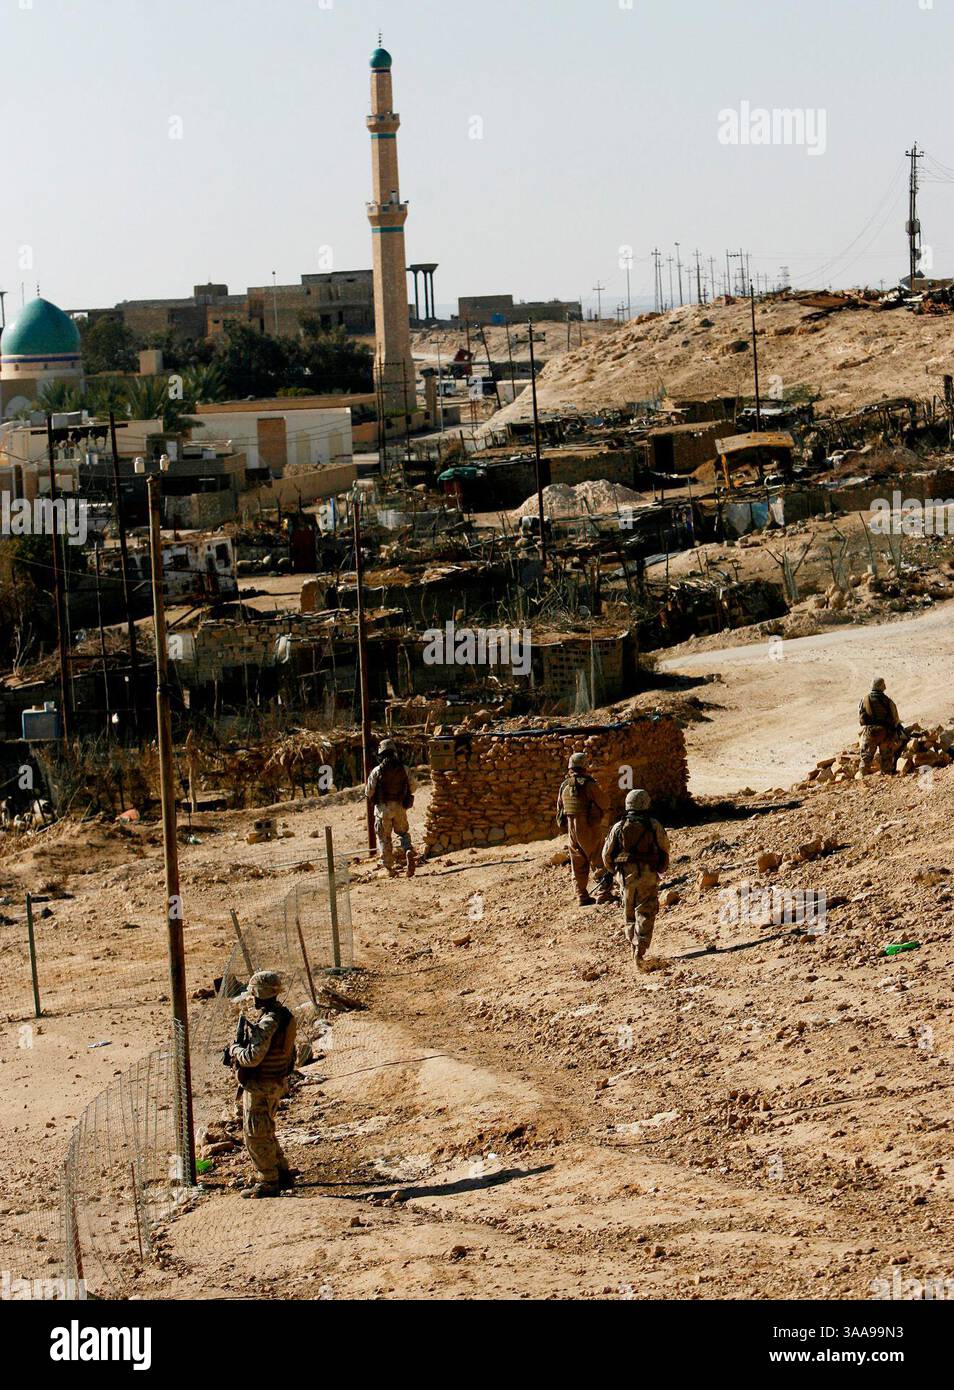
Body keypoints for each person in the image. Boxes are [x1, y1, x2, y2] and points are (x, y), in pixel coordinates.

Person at [228, 971, 298, 1198]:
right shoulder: (284, 1015)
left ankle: (268, 1180)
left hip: (262, 1085)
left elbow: (252, 1058)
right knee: (265, 1129)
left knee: (255, 1133)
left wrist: (234, 1051)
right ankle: (281, 1171)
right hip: (275, 1081)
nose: (253, 999)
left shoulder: (269, 1022)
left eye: (254, 994)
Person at [602, 789, 670, 966]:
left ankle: (633, 945)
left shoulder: (618, 826)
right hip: (647, 876)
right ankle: (640, 949)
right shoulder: (653, 824)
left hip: (625, 878)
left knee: (629, 913)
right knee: (646, 911)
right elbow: (665, 847)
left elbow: (606, 855)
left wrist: (615, 873)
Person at [556, 752, 613, 906]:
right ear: (584, 766)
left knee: (578, 863)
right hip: (588, 828)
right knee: (597, 859)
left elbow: (559, 809)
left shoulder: (564, 786)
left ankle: (581, 896)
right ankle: (603, 893)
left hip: (571, 830)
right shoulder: (588, 784)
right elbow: (605, 803)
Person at [365, 738, 417, 876]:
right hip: (400, 807)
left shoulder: (377, 771)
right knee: (402, 833)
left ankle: (389, 868)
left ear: (381, 754)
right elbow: (414, 788)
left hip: (383, 810)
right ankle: (407, 850)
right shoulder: (404, 769)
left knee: (384, 837)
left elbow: (369, 791)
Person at [859, 677, 904, 775]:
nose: (885, 686)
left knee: (866, 757)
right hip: (886, 733)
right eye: (883, 684)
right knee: (886, 758)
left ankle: (862, 778)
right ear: (880, 686)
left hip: (870, 733)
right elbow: (895, 718)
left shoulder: (865, 699)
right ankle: (887, 780)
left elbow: (861, 718)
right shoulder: (887, 700)